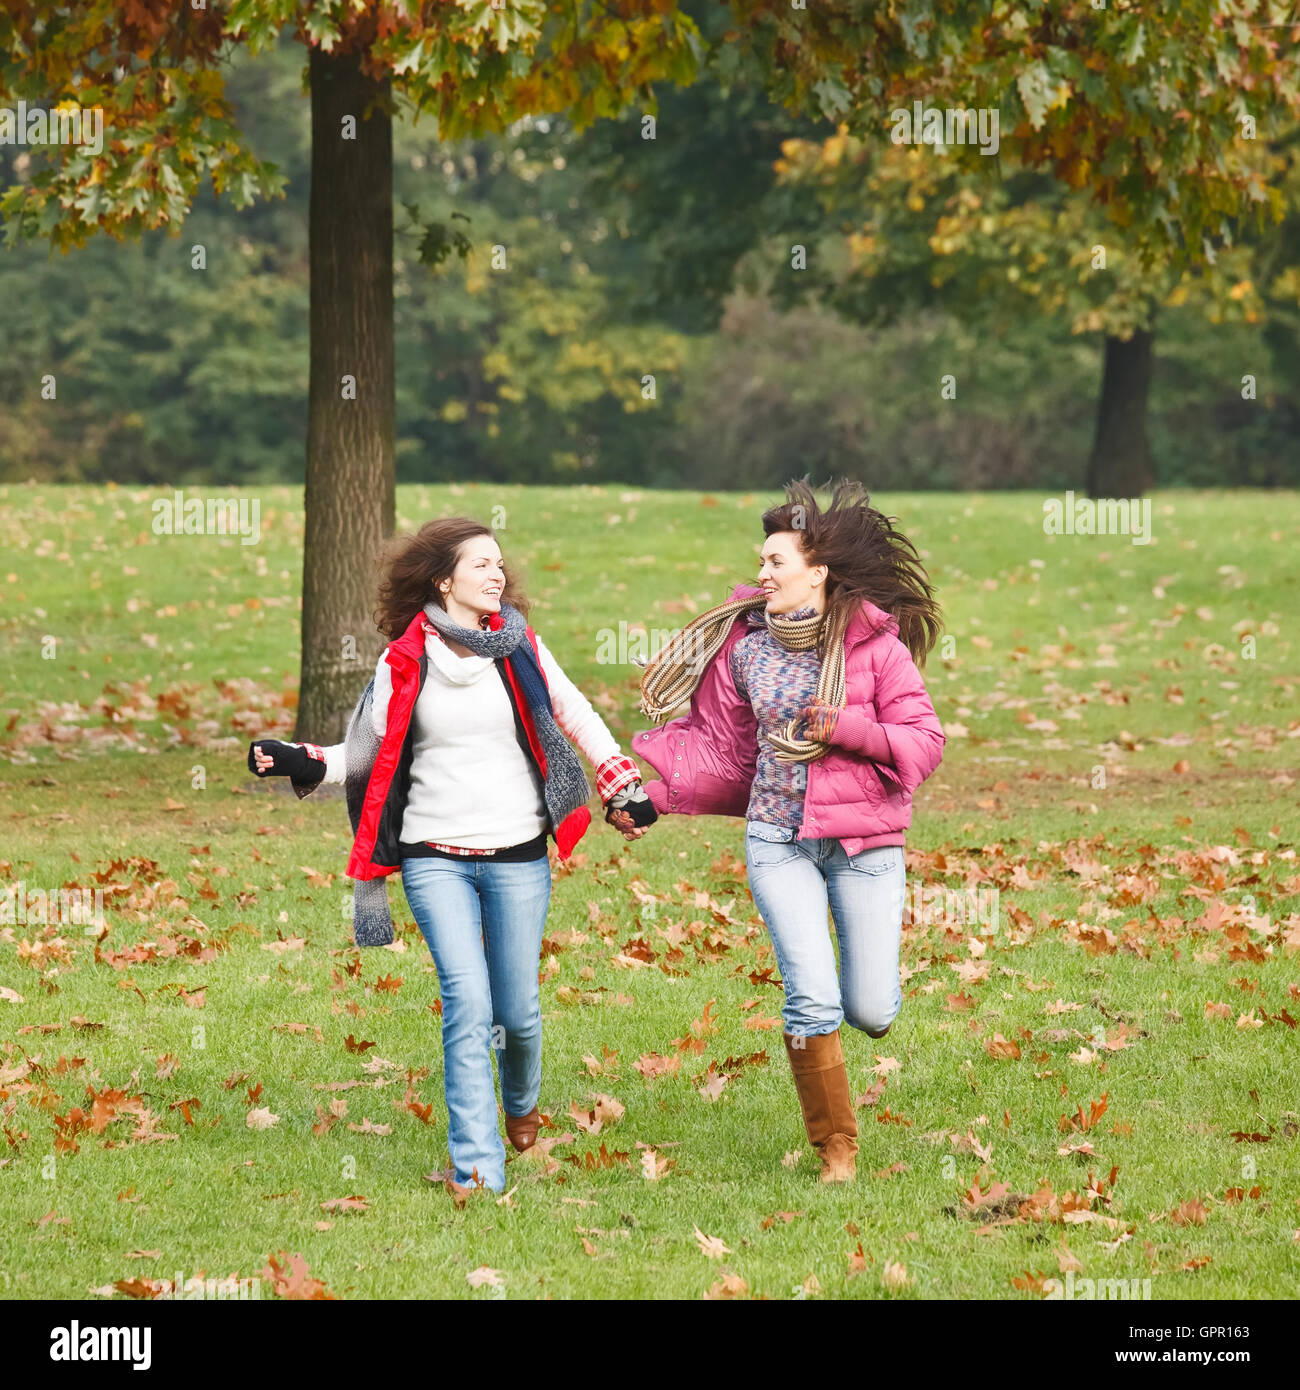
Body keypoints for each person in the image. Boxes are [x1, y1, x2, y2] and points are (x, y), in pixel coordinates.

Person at [247, 517, 656, 1199]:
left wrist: (622, 783)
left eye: (500, 564)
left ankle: (521, 1103)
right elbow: (369, 752)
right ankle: (475, 1166)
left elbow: (575, 712)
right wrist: (302, 760)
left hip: (518, 852)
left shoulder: (520, 645)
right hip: (434, 854)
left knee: (517, 1012)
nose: (498, 574)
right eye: (481, 565)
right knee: (467, 1000)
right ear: (444, 580)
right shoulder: (404, 659)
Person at [635, 478, 944, 1182]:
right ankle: (836, 1148)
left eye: (775, 561)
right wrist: (654, 799)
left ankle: (867, 1008)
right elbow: (728, 755)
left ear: (819, 571)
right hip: (779, 840)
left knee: (866, 1007)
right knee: (810, 992)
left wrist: (848, 728)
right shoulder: (743, 647)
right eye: (762, 562)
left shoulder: (874, 647)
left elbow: (923, 744)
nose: (761, 573)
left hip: (865, 846)